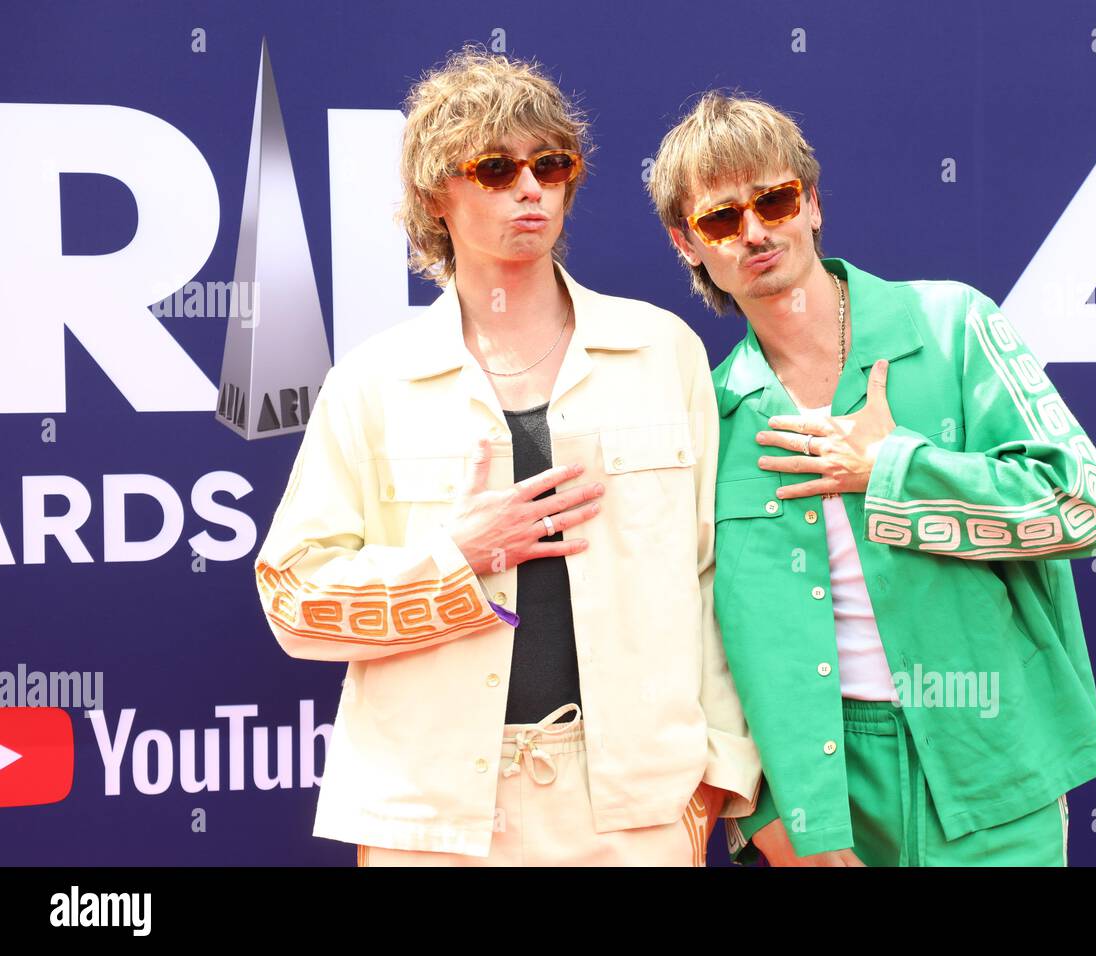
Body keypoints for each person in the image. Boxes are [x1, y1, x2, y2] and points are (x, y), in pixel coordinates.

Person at [253, 48, 760, 866]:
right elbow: (294, 602)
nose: (531, 187)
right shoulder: (374, 381)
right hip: (437, 818)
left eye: (551, 164)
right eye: (495, 168)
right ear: (433, 198)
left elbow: (716, 580)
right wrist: (456, 557)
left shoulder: (662, 351)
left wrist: (715, 783)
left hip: (636, 810)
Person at [647, 91, 1096, 866]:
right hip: (823, 785)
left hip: (989, 749)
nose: (756, 231)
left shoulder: (952, 326)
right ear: (687, 244)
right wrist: (763, 810)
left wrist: (892, 467)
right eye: (721, 219)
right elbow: (698, 636)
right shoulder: (711, 412)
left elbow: (1082, 508)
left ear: (814, 205)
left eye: (774, 199)